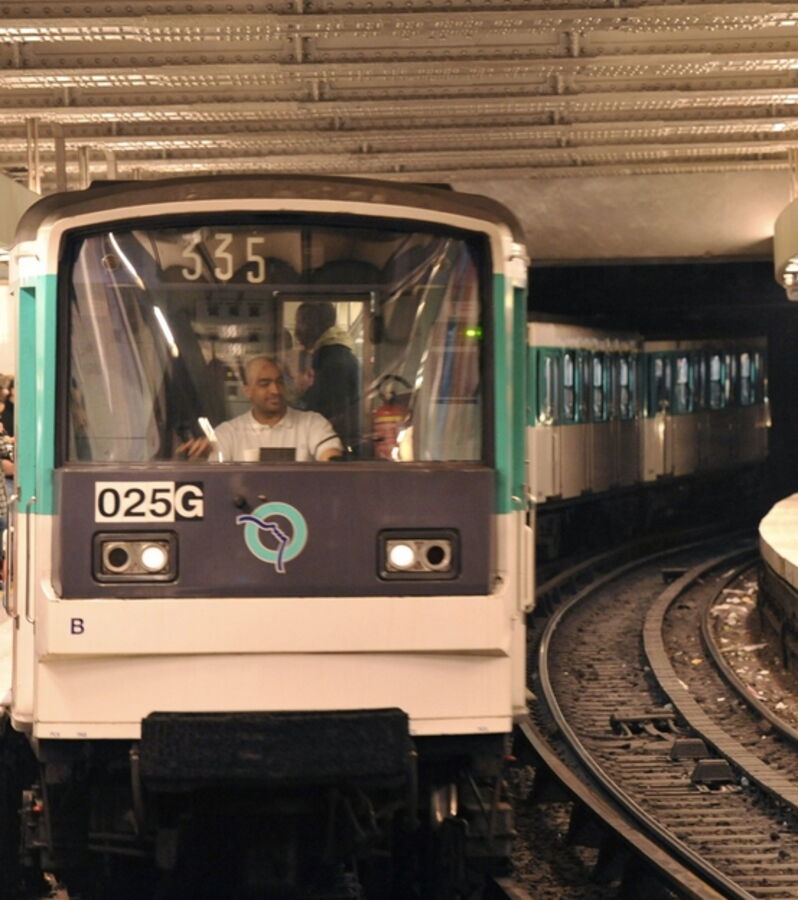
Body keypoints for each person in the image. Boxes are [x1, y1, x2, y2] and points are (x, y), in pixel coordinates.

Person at [178, 356, 343, 462]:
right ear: (247, 391)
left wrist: (331, 458)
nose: (275, 390)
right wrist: (199, 457)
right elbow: (211, 474)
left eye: (279, 382)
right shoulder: (228, 433)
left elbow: (331, 458)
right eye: (264, 384)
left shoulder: (312, 423)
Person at [294, 302, 360, 453]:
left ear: (315, 324)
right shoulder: (335, 354)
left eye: (301, 322)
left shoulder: (333, 361)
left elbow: (321, 410)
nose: (297, 330)